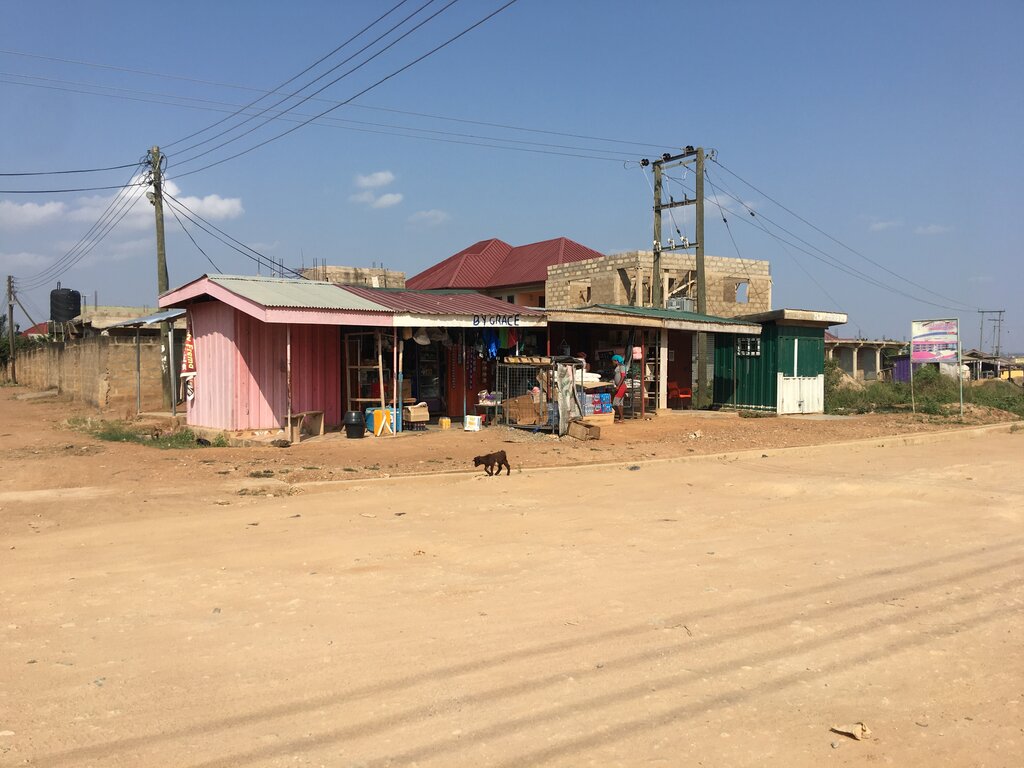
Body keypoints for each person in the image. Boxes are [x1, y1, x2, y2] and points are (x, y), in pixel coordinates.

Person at [611, 354, 628, 422]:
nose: (613, 362)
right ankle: (621, 418)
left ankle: (622, 417)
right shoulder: (618, 367)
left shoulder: (622, 366)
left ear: (616, 360)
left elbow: (623, 376)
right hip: (620, 386)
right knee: (620, 403)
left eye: (613, 361)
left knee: (616, 402)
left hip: (621, 387)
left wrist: (618, 386)